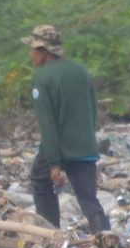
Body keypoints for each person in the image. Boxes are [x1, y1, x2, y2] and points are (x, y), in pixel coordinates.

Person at [26, 25, 111, 234]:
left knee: (40, 181)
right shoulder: (82, 72)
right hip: (85, 147)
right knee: (88, 198)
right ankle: (105, 237)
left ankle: (51, 234)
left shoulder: (42, 77)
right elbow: (93, 111)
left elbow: (47, 123)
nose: (30, 54)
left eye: (33, 49)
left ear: (44, 51)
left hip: (58, 147)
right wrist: (87, 141)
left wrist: (54, 163)